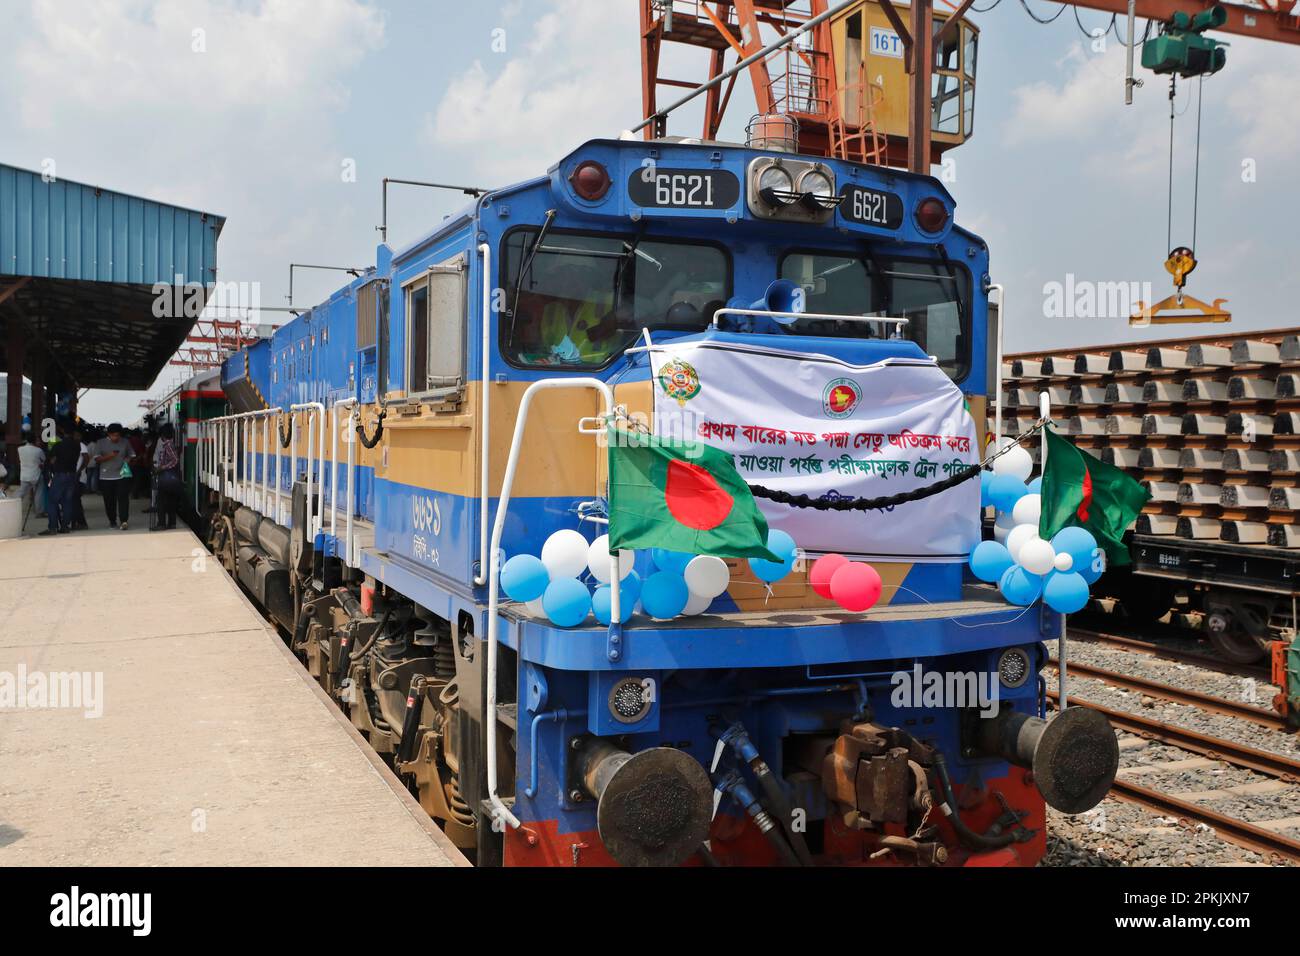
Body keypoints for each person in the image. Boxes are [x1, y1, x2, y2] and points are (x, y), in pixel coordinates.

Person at [39, 420, 79, 536]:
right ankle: (65, 526)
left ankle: (52, 528)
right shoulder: (76, 446)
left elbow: (51, 460)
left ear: (62, 430)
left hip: (60, 474)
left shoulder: (58, 445)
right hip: (72, 475)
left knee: (52, 501)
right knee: (67, 502)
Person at [93, 422, 134, 530]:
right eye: (114, 435)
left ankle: (124, 520)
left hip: (122, 475)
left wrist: (127, 461)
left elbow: (132, 455)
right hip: (106, 476)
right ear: (109, 434)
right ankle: (112, 520)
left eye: (118, 435)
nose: (116, 438)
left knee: (123, 498)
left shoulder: (125, 442)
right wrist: (110, 456)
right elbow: (97, 459)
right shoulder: (100, 443)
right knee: (109, 500)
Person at [152, 423, 183, 530]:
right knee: (171, 501)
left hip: (166, 477)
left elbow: (175, 460)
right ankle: (172, 523)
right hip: (172, 478)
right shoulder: (172, 444)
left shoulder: (168, 445)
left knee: (161, 501)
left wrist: (162, 467)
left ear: (162, 435)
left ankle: (161, 524)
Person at [16, 433, 45, 527]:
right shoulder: (38, 450)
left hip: (24, 475)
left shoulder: (20, 449)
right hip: (36, 474)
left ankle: (13, 507)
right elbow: (43, 460)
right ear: (35, 441)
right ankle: (39, 512)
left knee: (21, 493)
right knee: (39, 493)